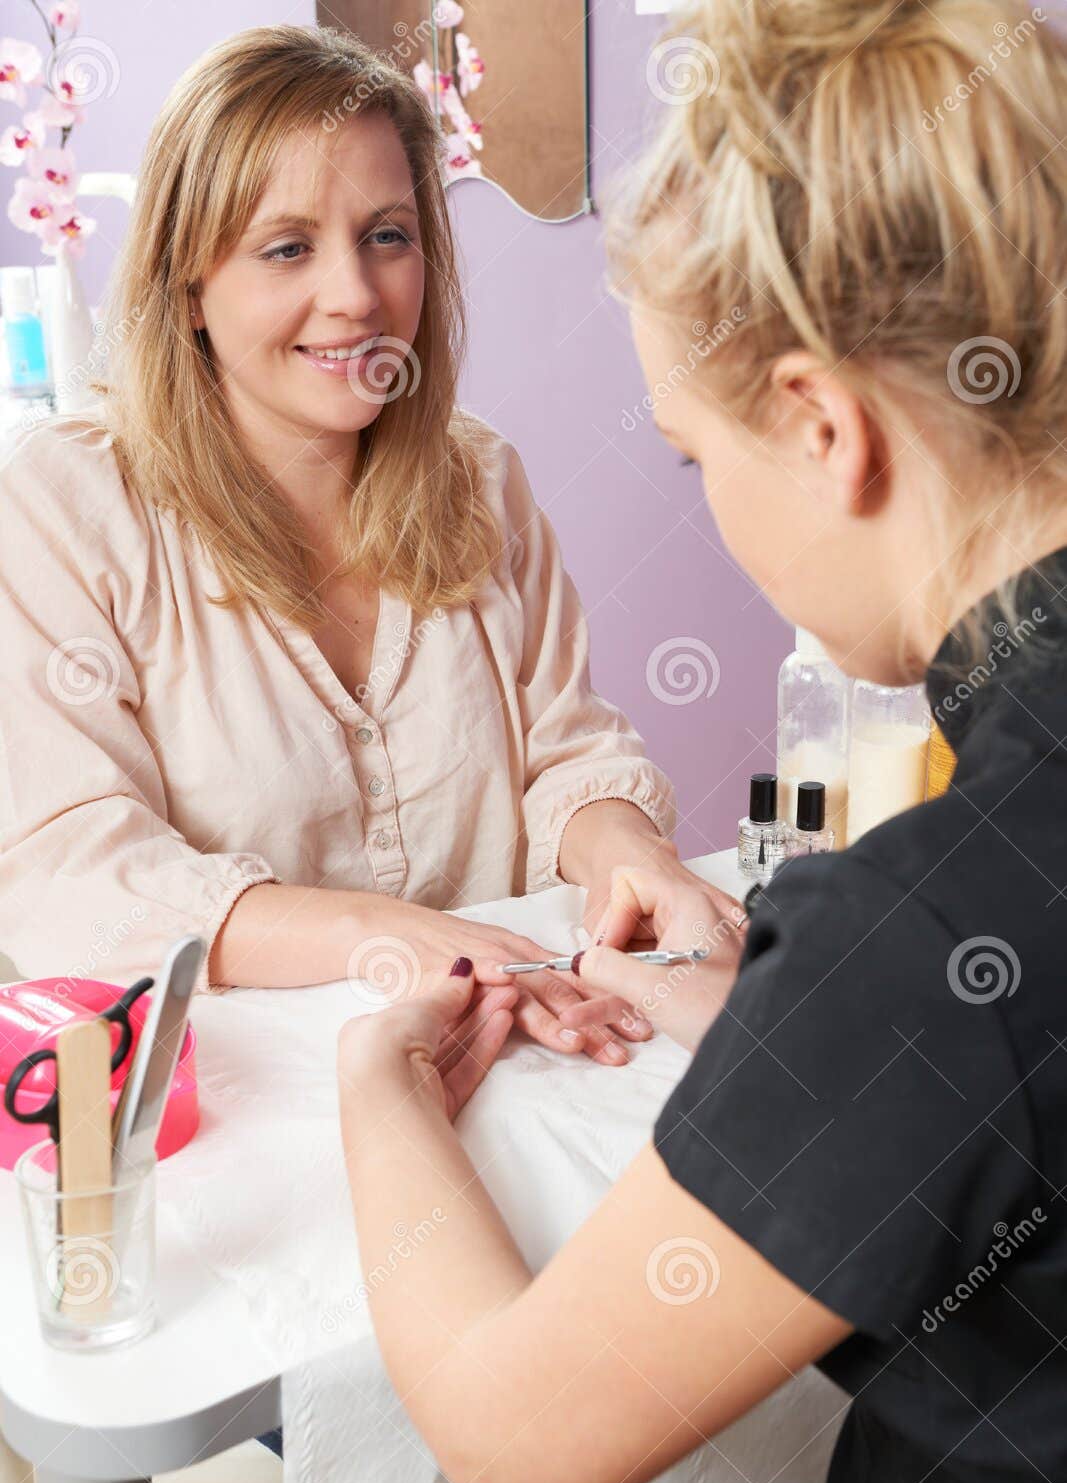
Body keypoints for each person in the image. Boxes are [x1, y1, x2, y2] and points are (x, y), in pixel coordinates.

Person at [336, 0, 1067, 1483]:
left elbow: (512, 1431)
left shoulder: (938, 914)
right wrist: (757, 1008)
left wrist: (377, 1095)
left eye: (689, 459)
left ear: (821, 428)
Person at [0, 24, 731, 1065]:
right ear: (186, 285)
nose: (355, 293)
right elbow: (69, 873)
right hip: (239, 1109)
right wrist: (380, 934)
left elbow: (562, 745)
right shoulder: (63, 506)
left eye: (386, 234)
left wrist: (631, 853)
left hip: (511, 1053)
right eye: (287, 247)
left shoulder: (481, 482)